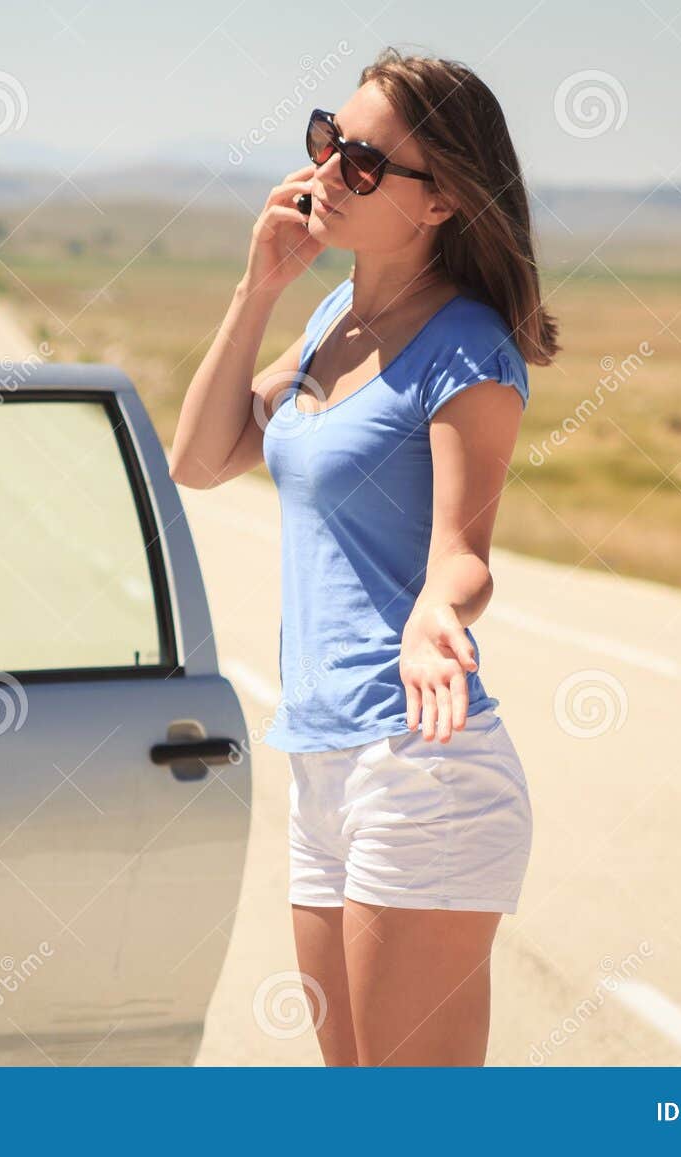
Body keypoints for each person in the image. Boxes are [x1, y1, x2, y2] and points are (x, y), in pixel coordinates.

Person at [169, 47, 561, 1066]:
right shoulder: (330, 322)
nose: (331, 171)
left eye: (366, 163)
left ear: (440, 205)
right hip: (323, 758)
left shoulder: (465, 346)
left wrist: (439, 615)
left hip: (418, 765)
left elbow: (462, 551)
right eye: (327, 142)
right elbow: (200, 457)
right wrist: (259, 287)